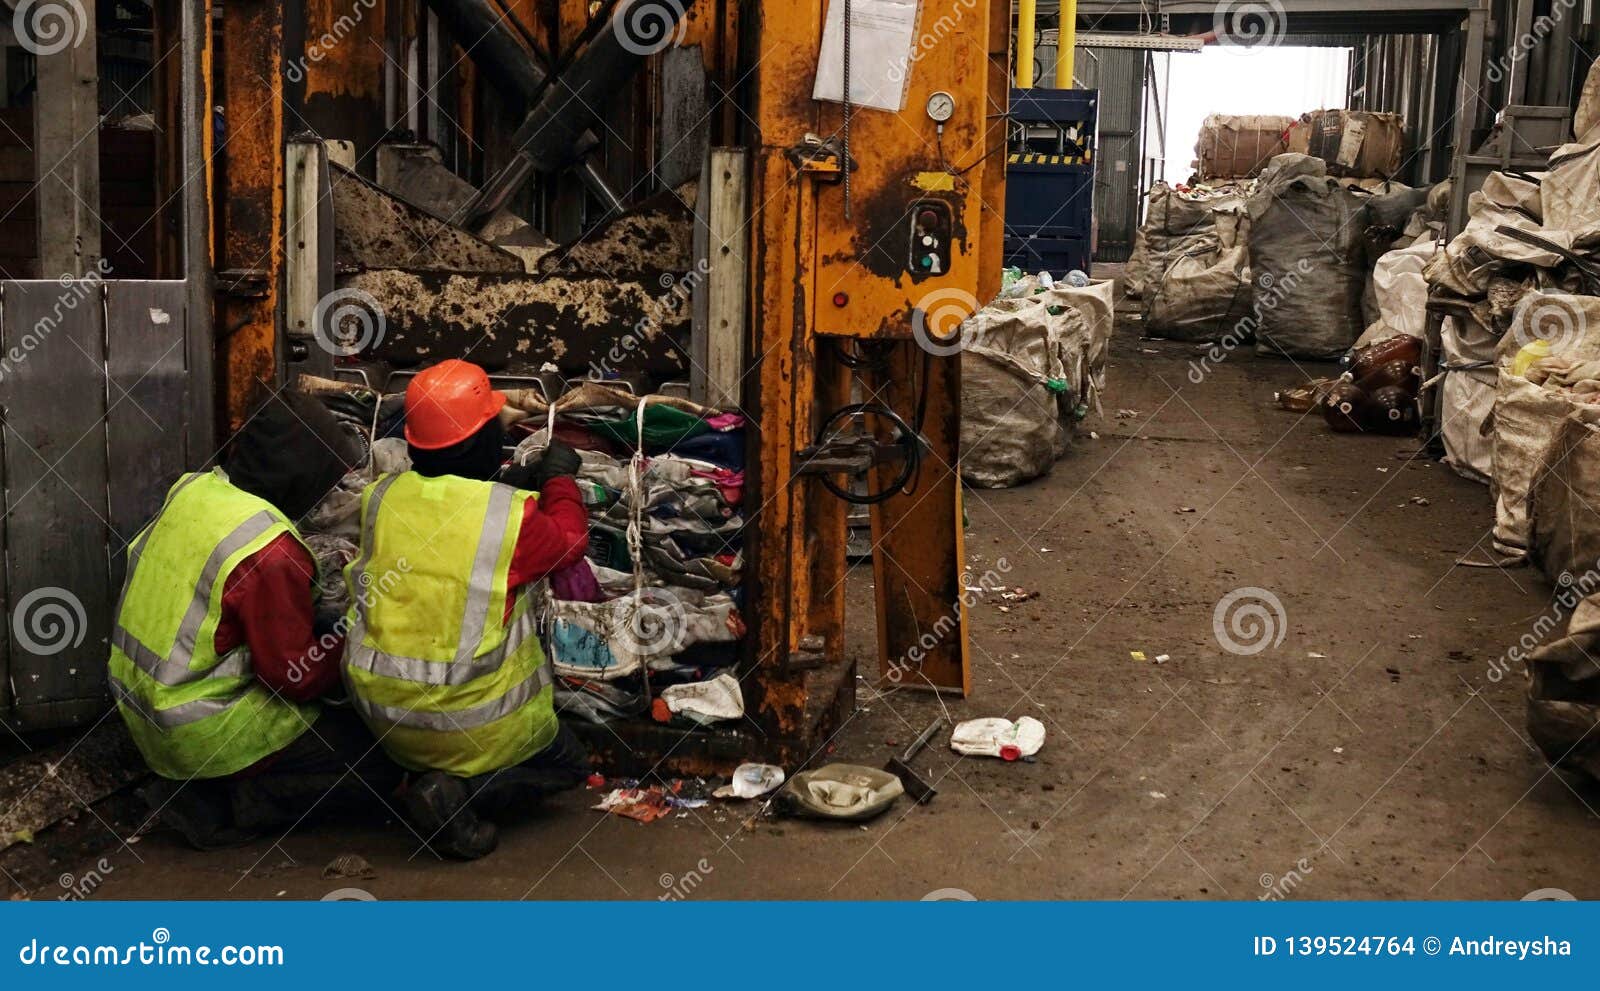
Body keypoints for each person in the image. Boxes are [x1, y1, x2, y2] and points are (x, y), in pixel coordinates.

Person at [110, 391, 401, 849]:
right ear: (302, 476)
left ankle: (202, 787)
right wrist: (358, 644)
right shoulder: (270, 550)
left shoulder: (192, 490)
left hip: (145, 711)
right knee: (383, 758)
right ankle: (235, 803)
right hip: (201, 731)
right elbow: (295, 677)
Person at [343, 359, 592, 859]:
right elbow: (569, 543)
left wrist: (514, 479)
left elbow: (447, 510)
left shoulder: (380, 496)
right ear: (482, 443)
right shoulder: (510, 518)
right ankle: (456, 796)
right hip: (474, 720)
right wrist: (559, 481)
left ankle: (419, 777)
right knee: (568, 763)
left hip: (381, 716)